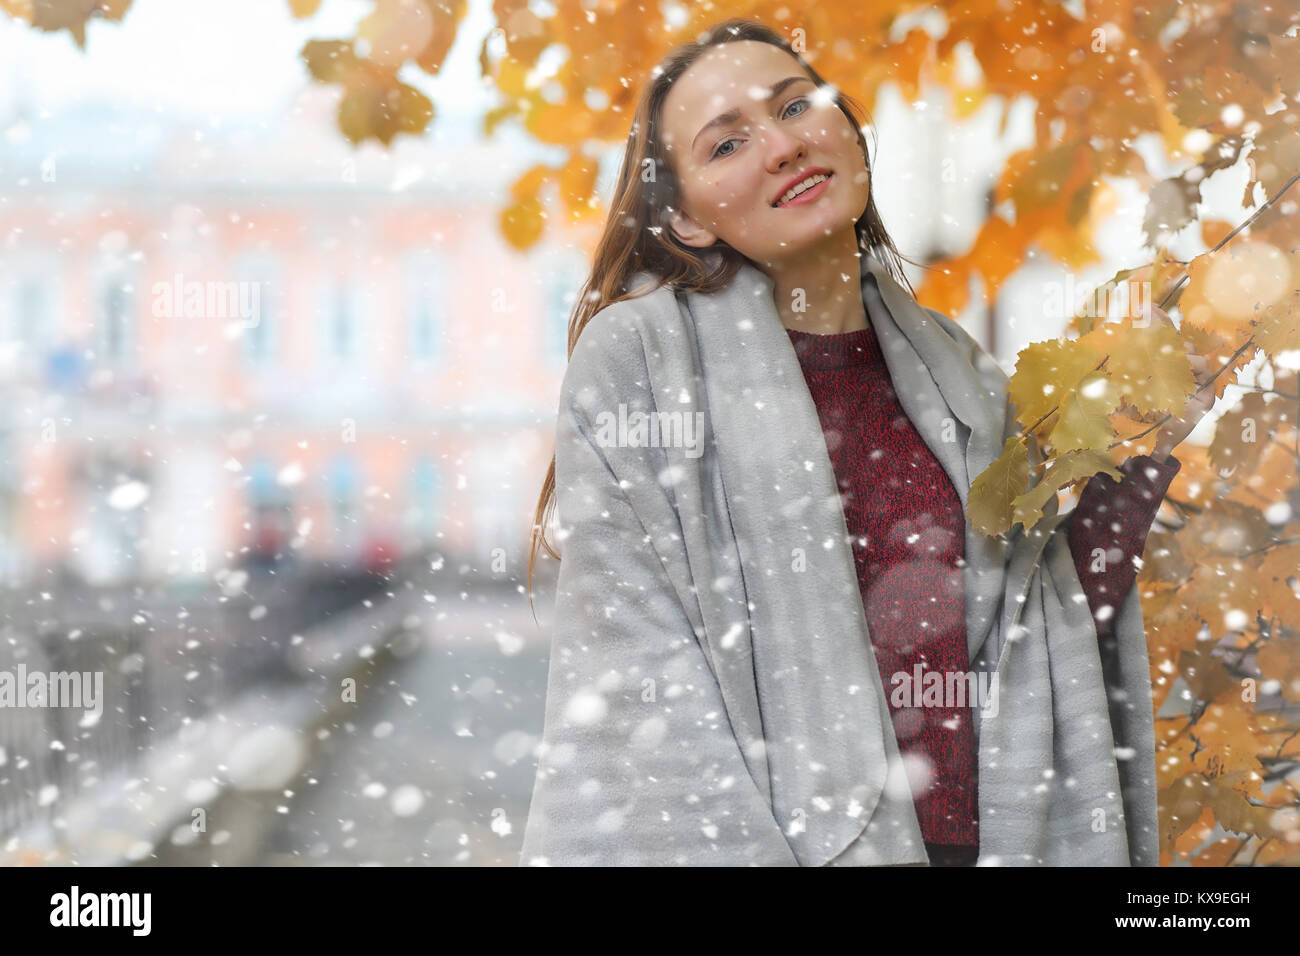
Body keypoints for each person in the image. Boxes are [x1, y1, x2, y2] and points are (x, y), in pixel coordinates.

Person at [522, 17, 1214, 867]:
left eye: (796, 106)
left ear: (848, 129)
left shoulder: (959, 372)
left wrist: (1141, 455)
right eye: (728, 141)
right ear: (688, 221)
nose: (782, 145)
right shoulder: (640, 363)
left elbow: (1038, 639)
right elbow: (642, 678)